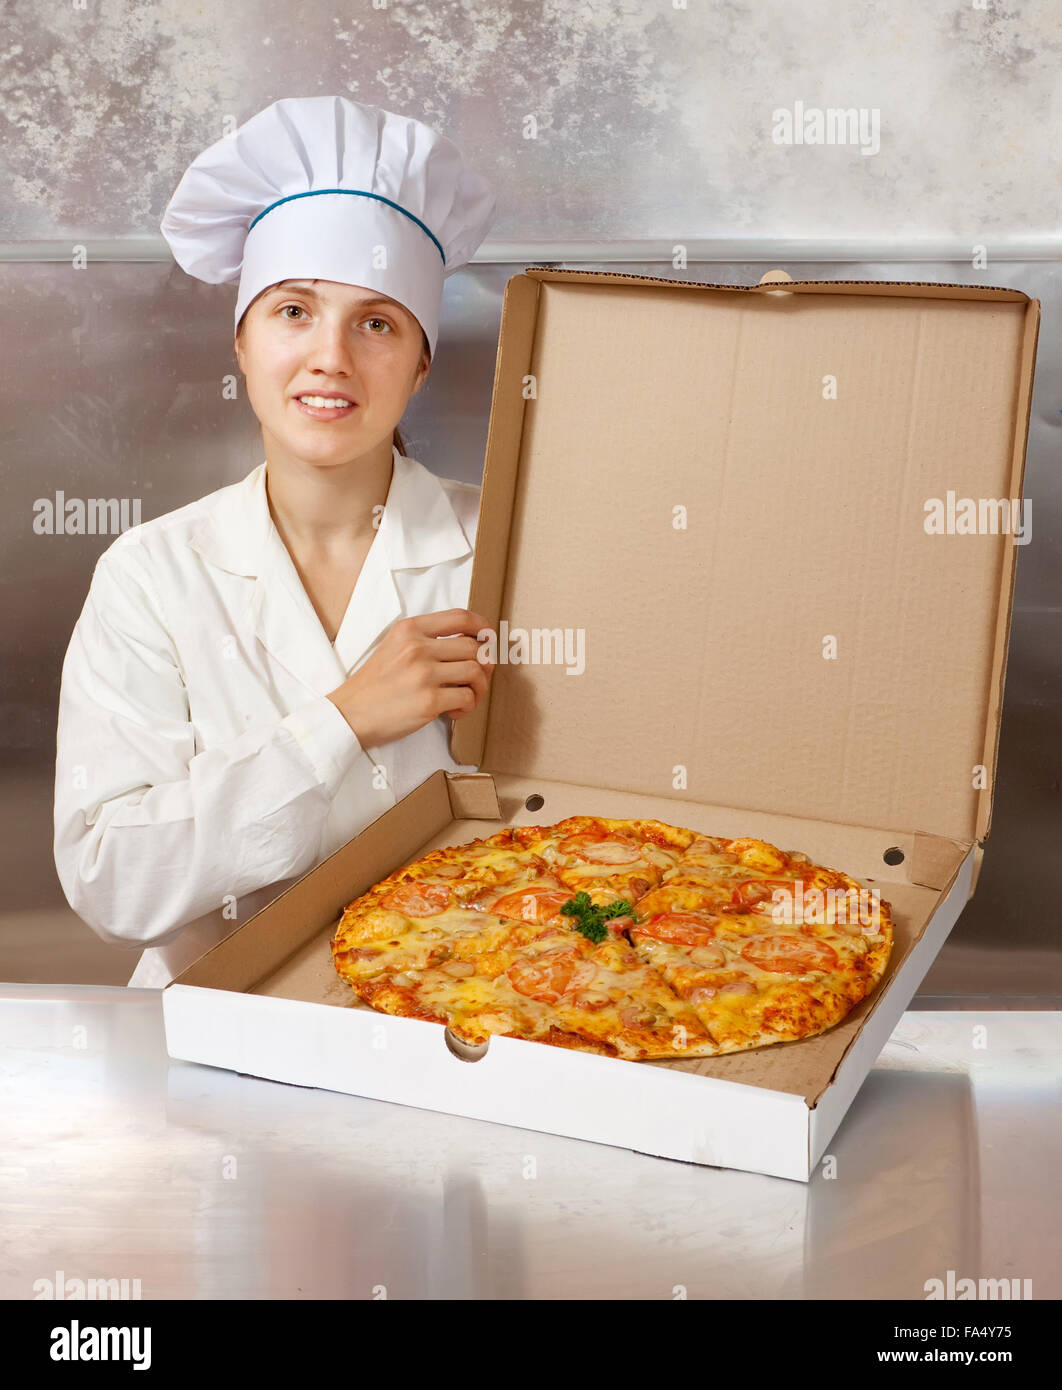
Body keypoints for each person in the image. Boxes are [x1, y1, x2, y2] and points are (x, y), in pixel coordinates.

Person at [52, 95, 498, 988]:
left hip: (468, 1029)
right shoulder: (151, 574)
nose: (330, 356)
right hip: (211, 1034)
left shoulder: (508, 546)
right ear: (243, 344)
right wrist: (340, 722)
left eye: (377, 322)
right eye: (293, 312)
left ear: (420, 363)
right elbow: (110, 881)